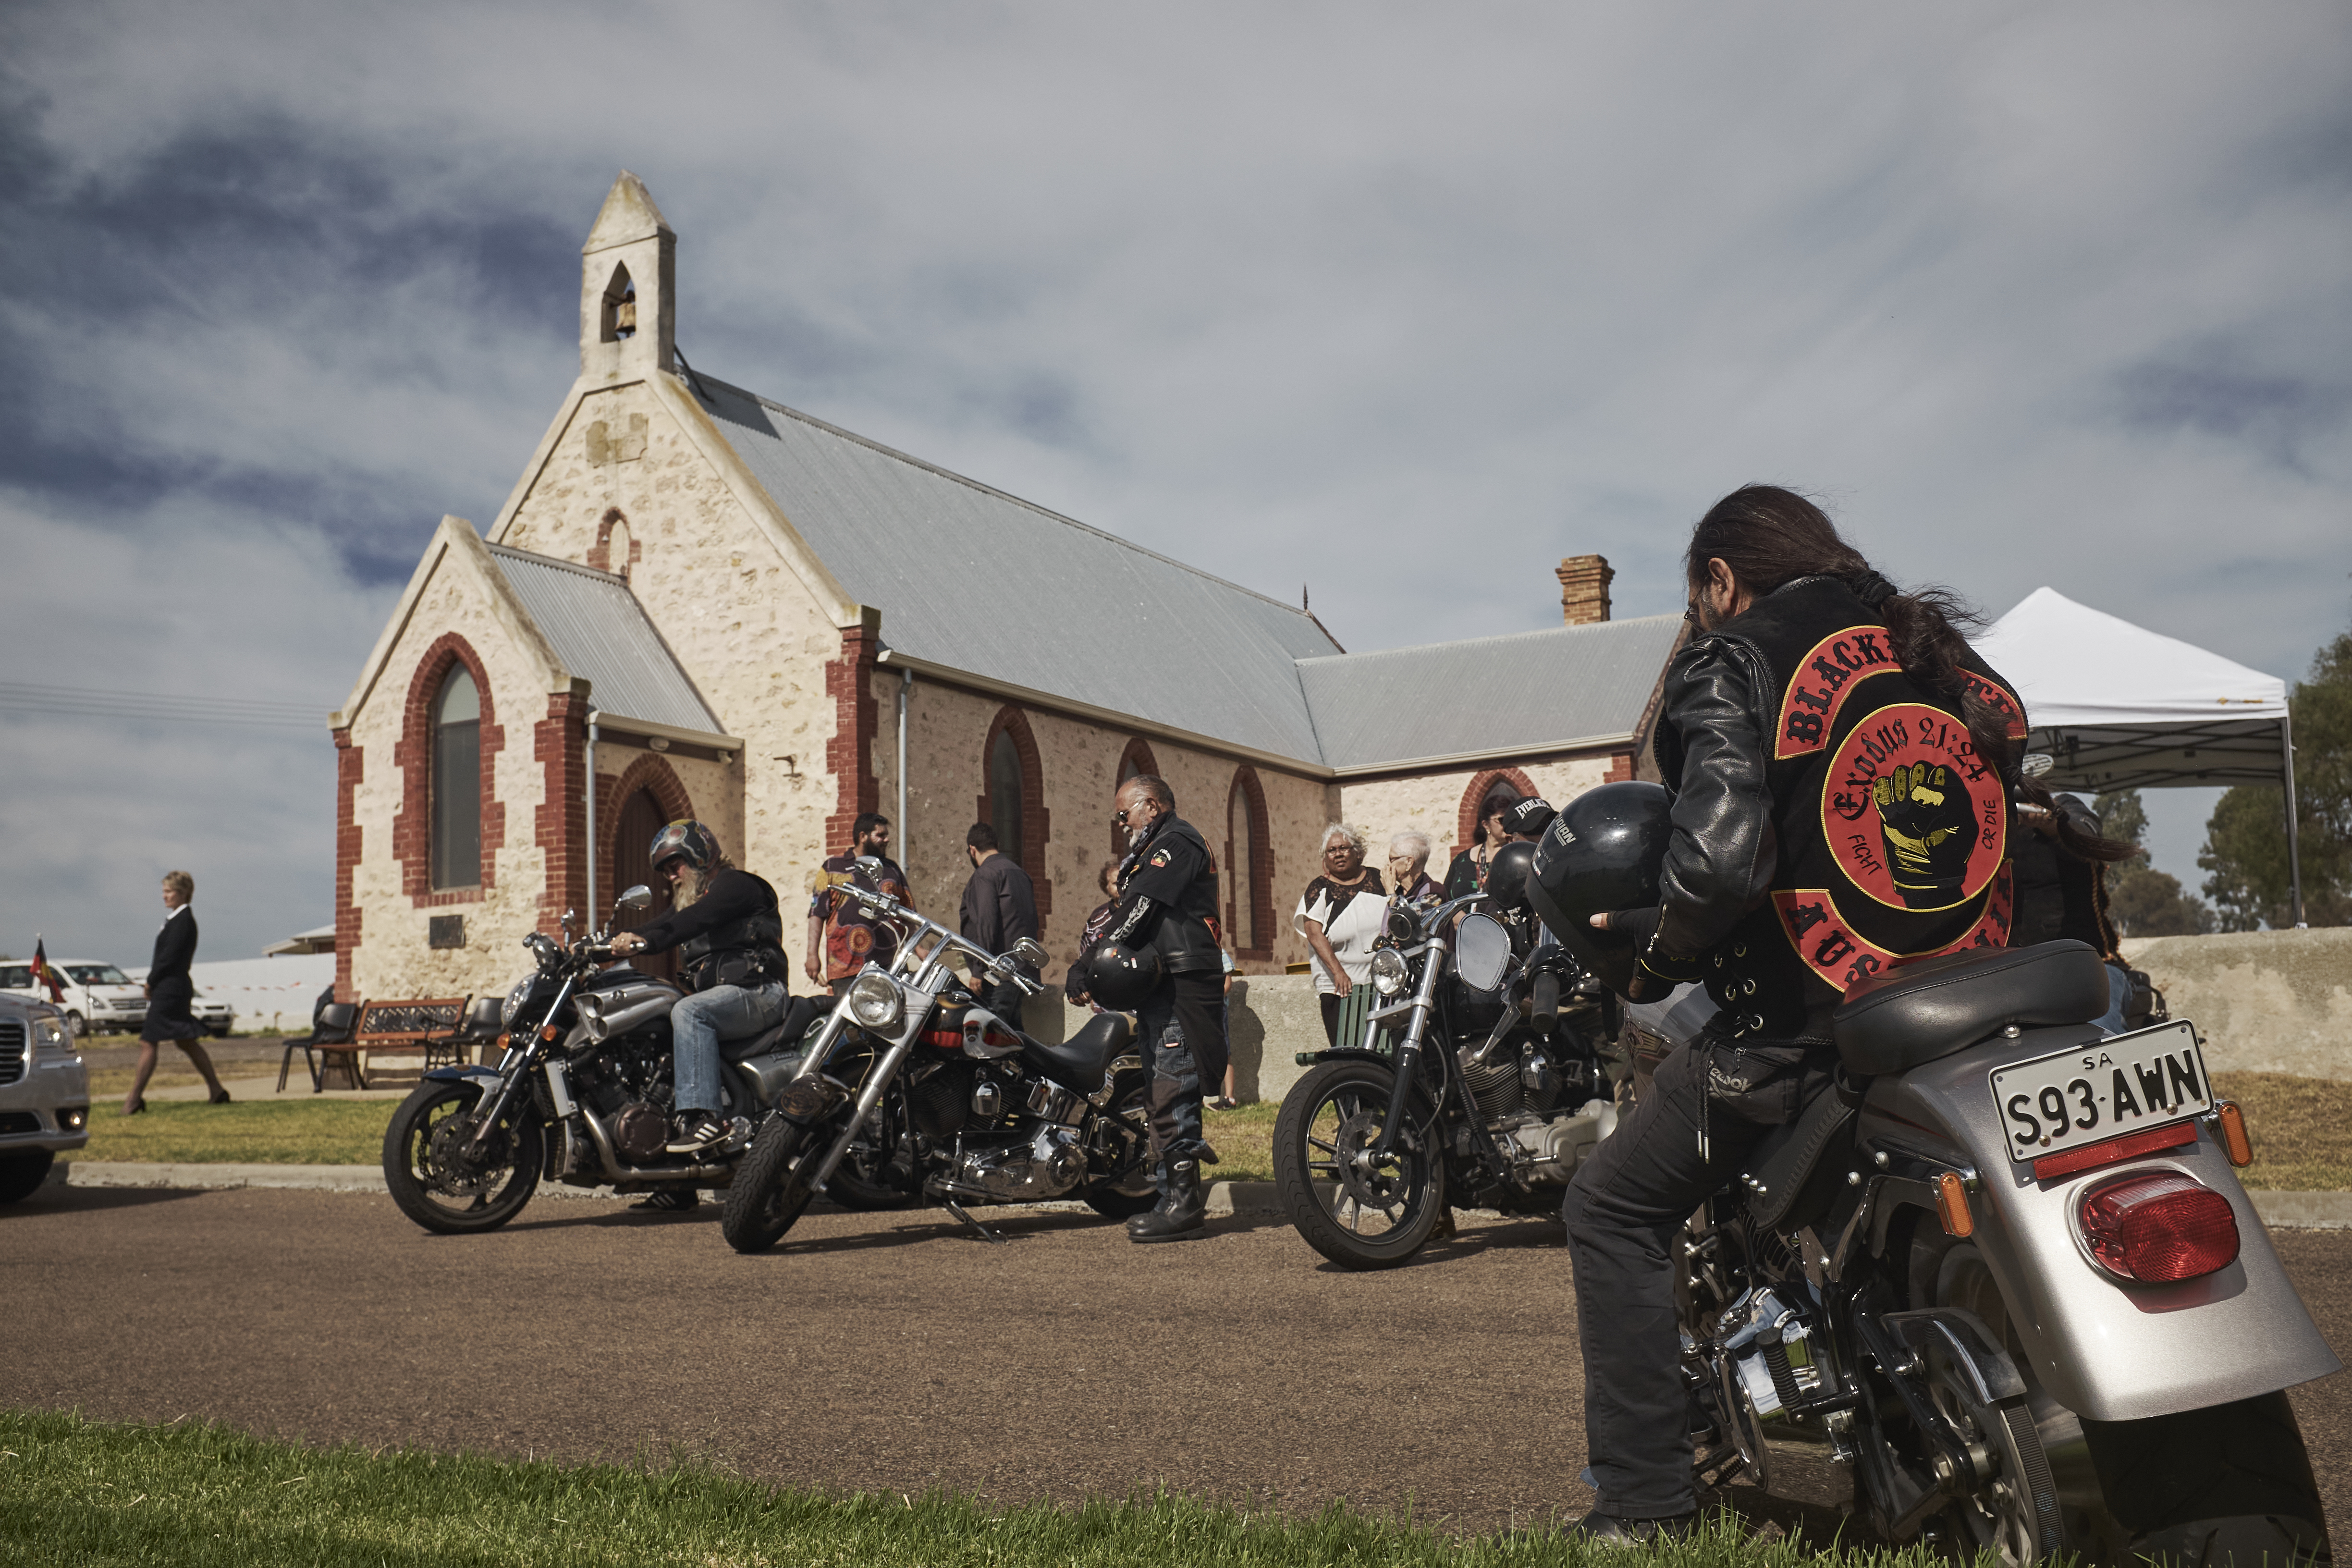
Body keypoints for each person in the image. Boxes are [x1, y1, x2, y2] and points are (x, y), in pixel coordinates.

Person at [1553, 485, 2037, 1543]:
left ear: (1721, 581)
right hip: (1991, 1000)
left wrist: (1658, 953)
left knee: (1610, 1207)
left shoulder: (1738, 656)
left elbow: (1719, 860)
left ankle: (1642, 1506)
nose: (1701, 623)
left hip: (1812, 1028)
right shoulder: (1934, 648)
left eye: (1699, 603)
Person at [609, 821, 791, 1188]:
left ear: (700, 854)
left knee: (689, 1011)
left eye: (675, 866)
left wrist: (644, 944)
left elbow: (692, 921)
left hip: (759, 992)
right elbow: (668, 921)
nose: (671, 877)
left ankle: (707, 1120)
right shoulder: (700, 896)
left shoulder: (736, 885)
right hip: (731, 998)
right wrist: (606, 945)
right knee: (658, 1028)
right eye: (664, 872)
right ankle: (673, 1180)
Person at [1095, 773, 1227, 1243]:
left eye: (1123, 813)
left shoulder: (1177, 841)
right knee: (1158, 1092)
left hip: (1181, 984)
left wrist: (1098, 957)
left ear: (1151, 805)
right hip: (1159, 983)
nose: (1121, 823)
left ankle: (1185, 1205)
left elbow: (1141, 907)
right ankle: (1171, 1195)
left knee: (1173, 1088)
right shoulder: (1154, 846)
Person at [122, 870, 228, 1114]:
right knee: (185, 1041)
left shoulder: (184, 922)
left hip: (171, 989)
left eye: (169, 892)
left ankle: (133, 1099)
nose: (164, 896)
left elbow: (168, 959)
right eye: (164, 892)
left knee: (148, 1042)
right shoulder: (175, 920)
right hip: (172, 987)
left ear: (183, 894)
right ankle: (216, 1089)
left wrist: (151, 982)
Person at [1294, 824, 1386, 1046]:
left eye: (1344, 848)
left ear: (1357, 852)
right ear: (1325, 858)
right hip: (1337, 985)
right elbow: (1314, 933)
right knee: (1345, 1049)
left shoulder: (1379, 880)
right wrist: (1339, 972)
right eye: (1332, 850)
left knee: (1380, 1047)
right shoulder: (1319, 888)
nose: (1338, 854)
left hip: (1380, 981)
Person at [807, 813, 912, 995]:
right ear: (863, 837)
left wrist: (919, 949)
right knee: (850, 1022)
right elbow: (817, 914)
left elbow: (908, 912)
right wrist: (812, 955)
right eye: (880, 835)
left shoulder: (892, 869)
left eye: (886, 835)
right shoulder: (832, 868)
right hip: (847, 968)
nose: (887, 840)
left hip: (891, 967)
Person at [959, 822, 1040, 1028]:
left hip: (999, 973)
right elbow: (1033, 921)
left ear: (972, 849)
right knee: (1012, 1037)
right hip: (1021, 970)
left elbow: (986, 923)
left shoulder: (986, 874)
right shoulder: (1021, 874)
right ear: (997, 844)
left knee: (991, 1035)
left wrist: (978, 971)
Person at [1065, 861, 1123, 1007]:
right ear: (1107, 888)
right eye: (1116, 883)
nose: (1121, 887)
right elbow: (1087, 954)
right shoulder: (1098, 920)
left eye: (1124, 881)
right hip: (1105, 1000)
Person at [1442, 791, 1518, 900]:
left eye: (1510, 820)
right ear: (1486, 825)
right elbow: (1446, 898)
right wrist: (1461, 917)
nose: (1507, 824)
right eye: (1502, 820)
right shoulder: (1462, 860)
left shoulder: (1515, 856)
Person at [1384, 830, 1443, 909]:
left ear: (1409, 862)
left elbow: (1404, 919)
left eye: (1392, 859)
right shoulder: (1400, 892)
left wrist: (1391, 894)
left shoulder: (1433, 892)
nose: (1388, 864)